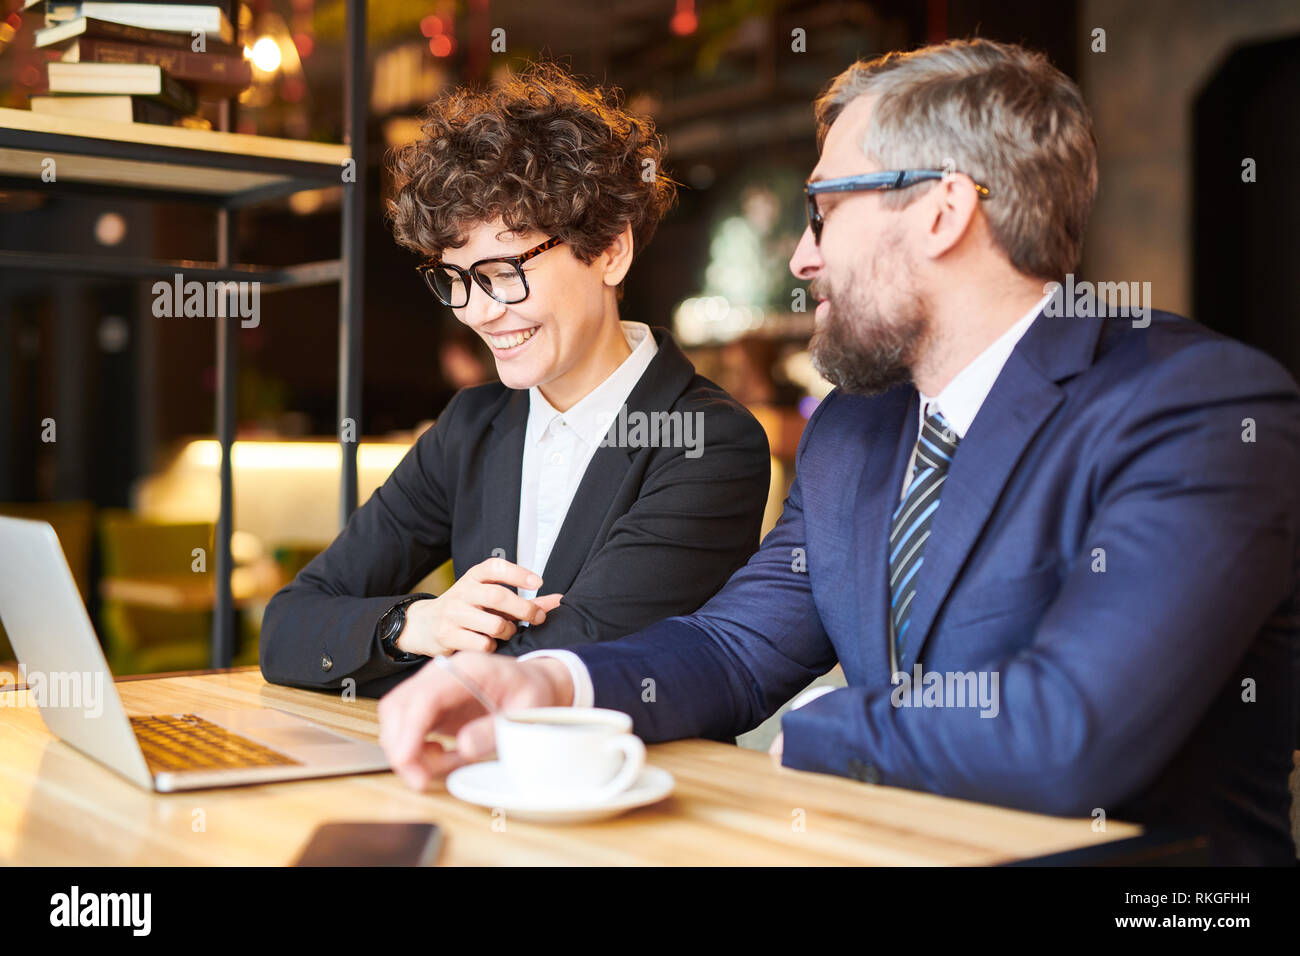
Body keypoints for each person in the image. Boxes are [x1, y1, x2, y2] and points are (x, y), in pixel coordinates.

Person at [376, 39, 1300, 865]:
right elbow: (736, 649)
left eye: (822, 210)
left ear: (942, 212)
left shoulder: (1200, 407)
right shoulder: (856, 427)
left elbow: (1071, 733)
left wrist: (821, 730)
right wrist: (540, 682)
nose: (800, 258)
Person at [260, 63, 771, 698]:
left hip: (638, 785)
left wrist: (441, 637)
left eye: (504, 271)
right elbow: (288, 625)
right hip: (468, 776)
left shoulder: (704, 439)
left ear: (610, 249)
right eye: (456, 279)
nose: (478, 311)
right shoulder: (474, 425)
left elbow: (574, 660)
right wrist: (415, 620)